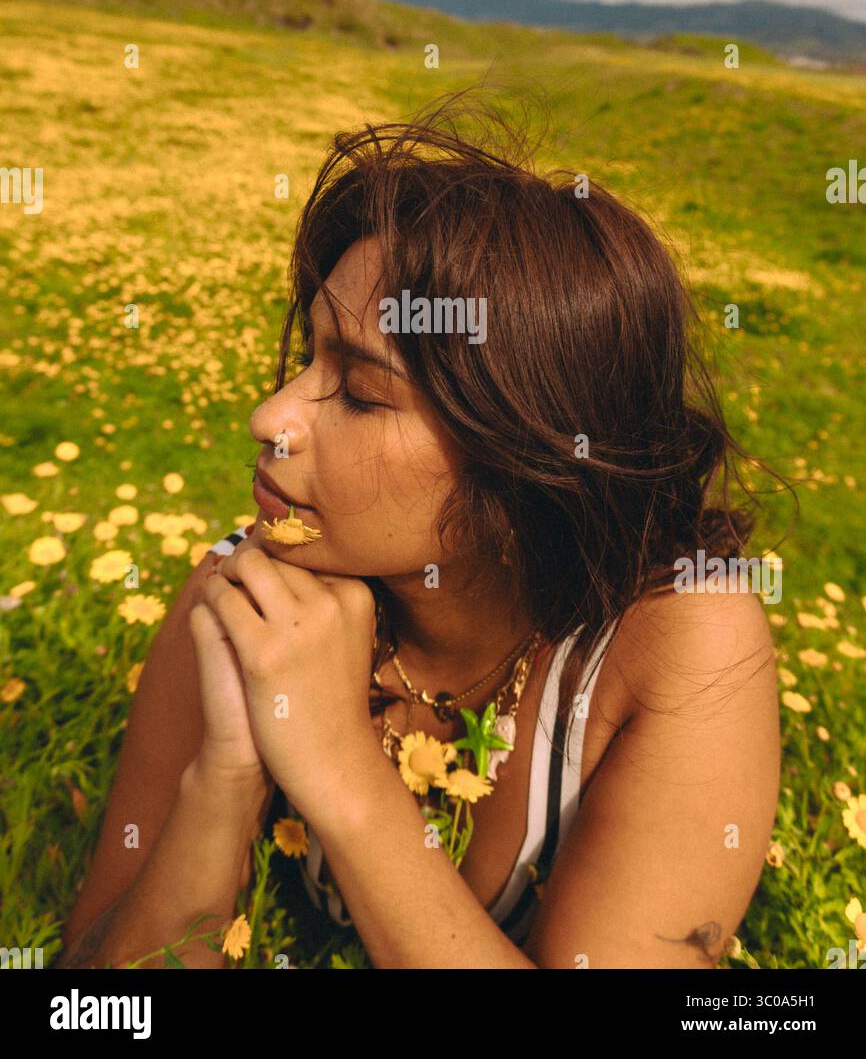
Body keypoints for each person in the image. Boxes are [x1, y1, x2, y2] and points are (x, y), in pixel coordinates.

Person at [57, 89, 782, 970]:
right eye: (308, 356)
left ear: (528, 461)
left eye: (361, 393)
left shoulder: (681, 638)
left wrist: (343, 777)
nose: (269, 415)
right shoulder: (249, 600)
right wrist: (227, 776)